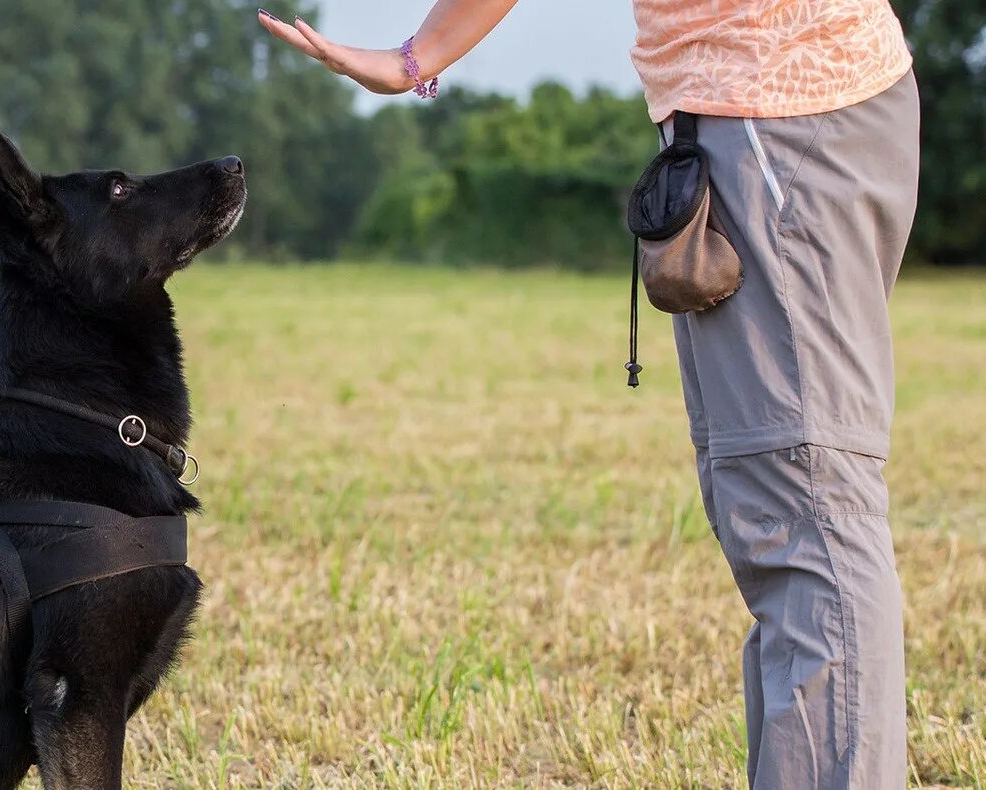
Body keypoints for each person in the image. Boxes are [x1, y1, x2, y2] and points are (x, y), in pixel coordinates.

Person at [257, 2, 918, 788]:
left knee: (804, 513)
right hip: (775, 113)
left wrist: (418, 56)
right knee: (778, 513)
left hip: (778, 115)